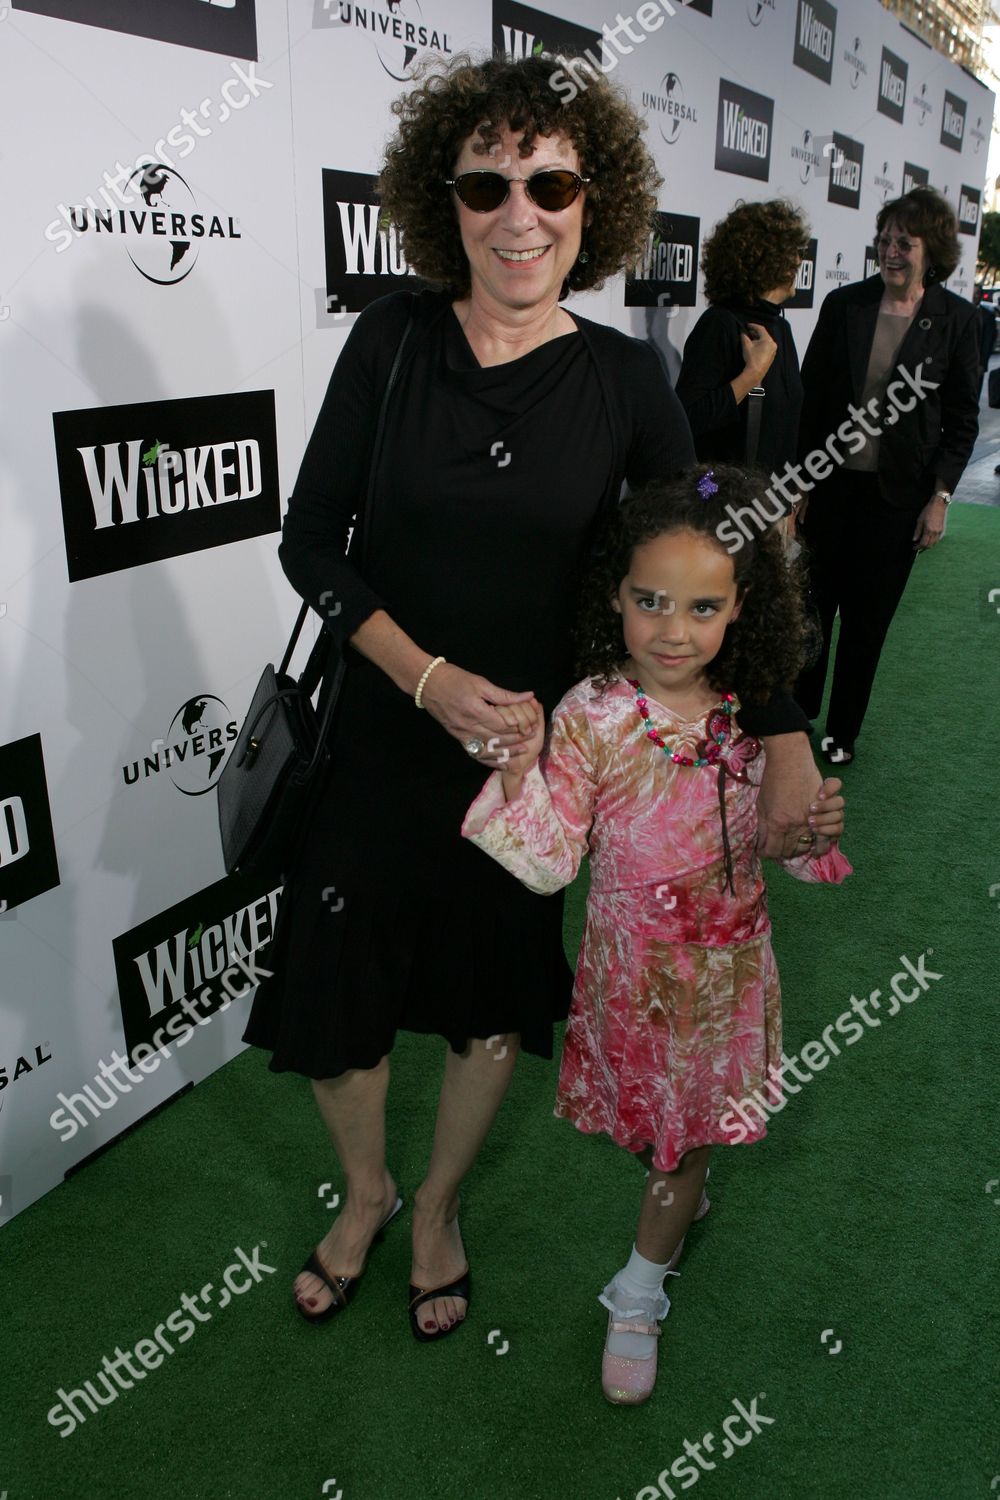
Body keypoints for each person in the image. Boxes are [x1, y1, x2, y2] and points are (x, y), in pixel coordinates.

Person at [243, 52, 833, 1342]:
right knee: (336, 1016)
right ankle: (365, 1193)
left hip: (530, 770)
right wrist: (430, 678)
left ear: (594, 203)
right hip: (378, 744)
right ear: (439, 201)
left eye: (551, 182)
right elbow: (309, 543)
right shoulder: (392, 339)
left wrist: (782, 729)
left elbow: (702, 549)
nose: (519, 212)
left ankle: (439, 1207)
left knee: (483, 1010)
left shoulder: (623, 381)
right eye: (486, 183)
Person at [463, 468, 850, 1403]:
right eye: (651, 602)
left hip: (725, 980)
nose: (674, 630)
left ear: (742, 608)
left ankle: (638, 1292)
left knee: (681, 1143)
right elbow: (552, 856)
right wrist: (519, 771)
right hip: (628, 977)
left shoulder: (754, 717)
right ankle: (677, 1193)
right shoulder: (590, 713)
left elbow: (786, 851)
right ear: (616, 597)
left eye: (703, 607)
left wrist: (810, 835)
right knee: (654, 1133)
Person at [795, 187, 979, 764]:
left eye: (906, 241)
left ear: (932, 251)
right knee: (811, 611)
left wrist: (940, 496)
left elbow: (961, 419)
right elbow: (813, 398)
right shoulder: (844, 304)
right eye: (885, 238)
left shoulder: (958, 320)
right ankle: (799, 716)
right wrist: (800, 482)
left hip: (897, 500)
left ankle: (841, 733)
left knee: (867, 624)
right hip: (831, 486)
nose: (891, 250)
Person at [675, 199, 810, 525]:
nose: (800, 261)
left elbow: (783, 432)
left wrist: (788, 501)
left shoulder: (782, 327)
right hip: (720, 510)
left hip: (770, 511)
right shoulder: (720, 325)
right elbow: (686, 421)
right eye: (793, 250)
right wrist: (752, 375)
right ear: (768, 258)